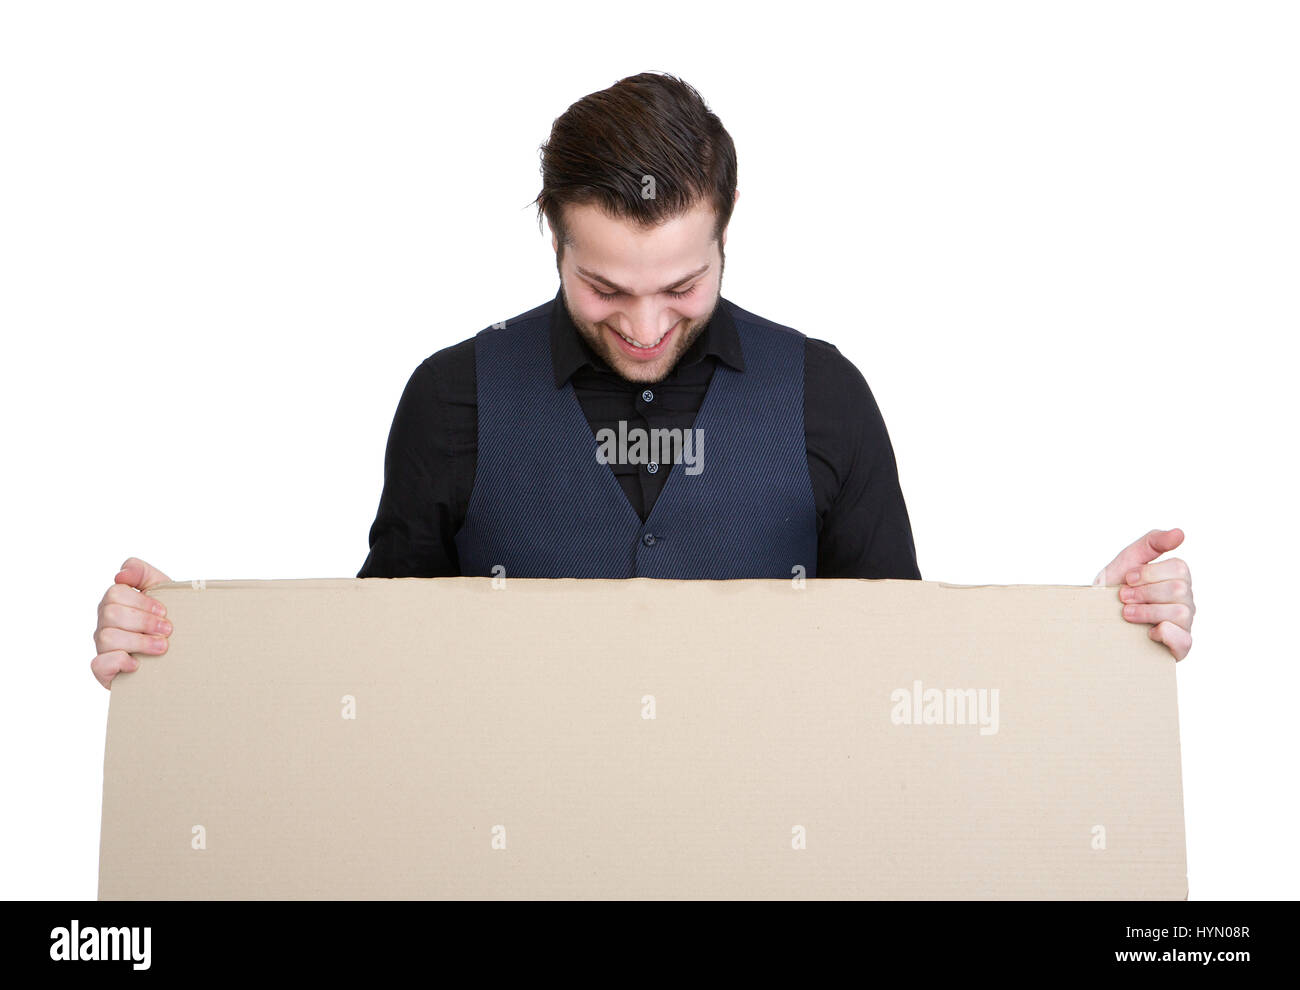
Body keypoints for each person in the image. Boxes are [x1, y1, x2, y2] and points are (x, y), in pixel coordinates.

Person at [90, 73, 1195, 689]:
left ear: (725, 237)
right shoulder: (451, 398)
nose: (646, 324)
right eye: (604, 289)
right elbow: (370, 681)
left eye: (683, 284)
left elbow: (907, 675)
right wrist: (185, 657)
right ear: (552, 242)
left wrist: (1089, 634)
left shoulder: (826, 395)